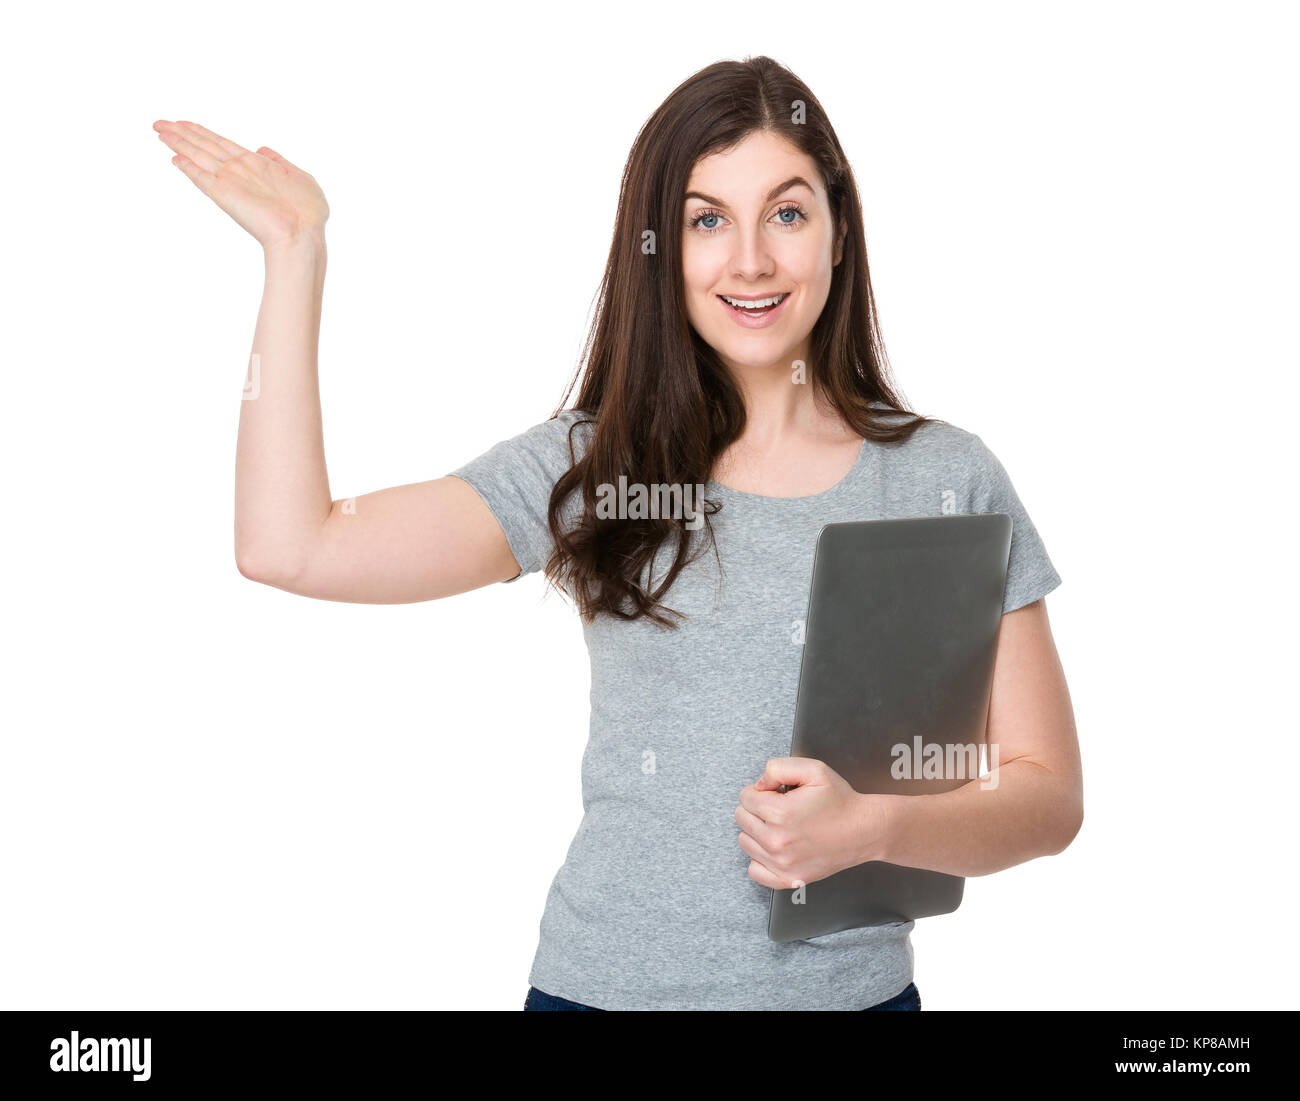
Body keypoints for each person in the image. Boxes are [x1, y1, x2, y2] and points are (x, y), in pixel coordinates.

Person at [153, 55, 1082, 1012]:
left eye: (788, 213)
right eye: (706, 219)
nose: (751, 259)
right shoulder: (591, 468)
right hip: (600, 996)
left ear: (838, 235)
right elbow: (290, 543)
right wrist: (295, 252)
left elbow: (1048, 795)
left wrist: (872, 828)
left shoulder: (946, 477)